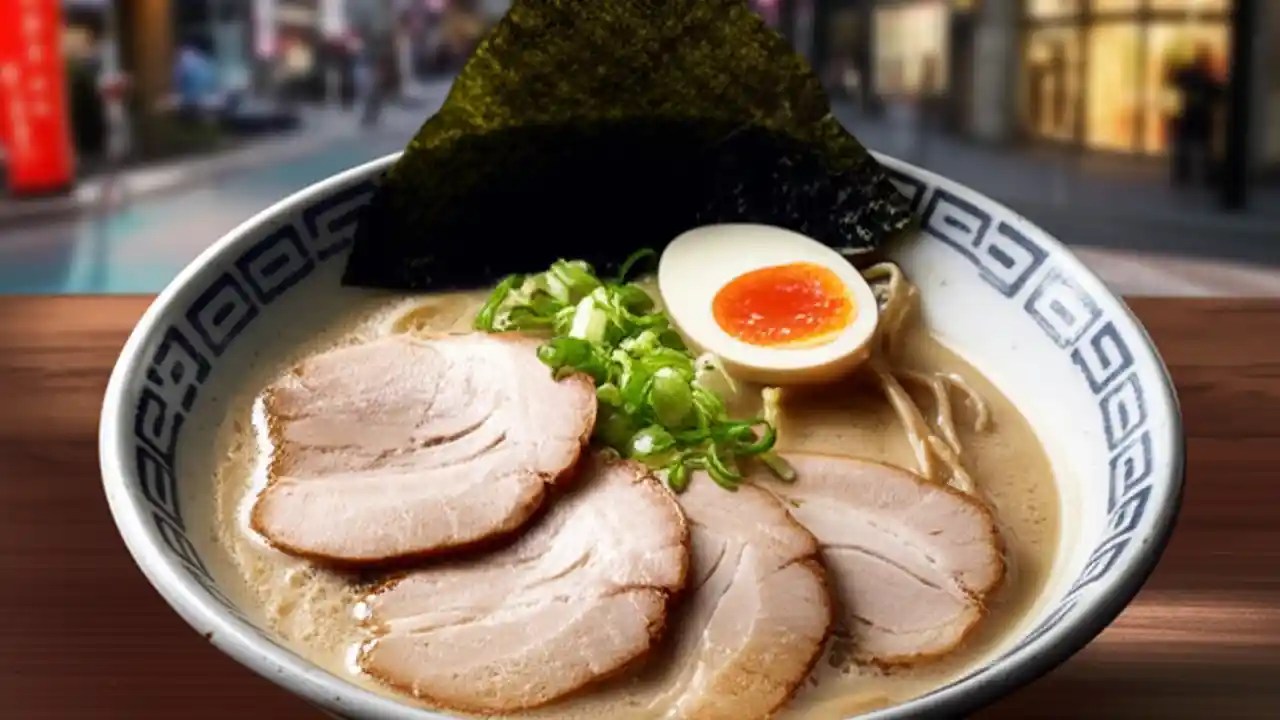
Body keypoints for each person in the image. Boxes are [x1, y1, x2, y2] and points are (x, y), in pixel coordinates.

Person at [1169, 44, 1223, 187]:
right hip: (1199, 115)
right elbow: (1217, 95)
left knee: (1188, 145)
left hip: (1192, 114)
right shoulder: (1206, 76)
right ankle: (1200, 174)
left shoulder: (1192, 74)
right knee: (1201, 147)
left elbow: (1176, 82)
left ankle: (1185, 173)